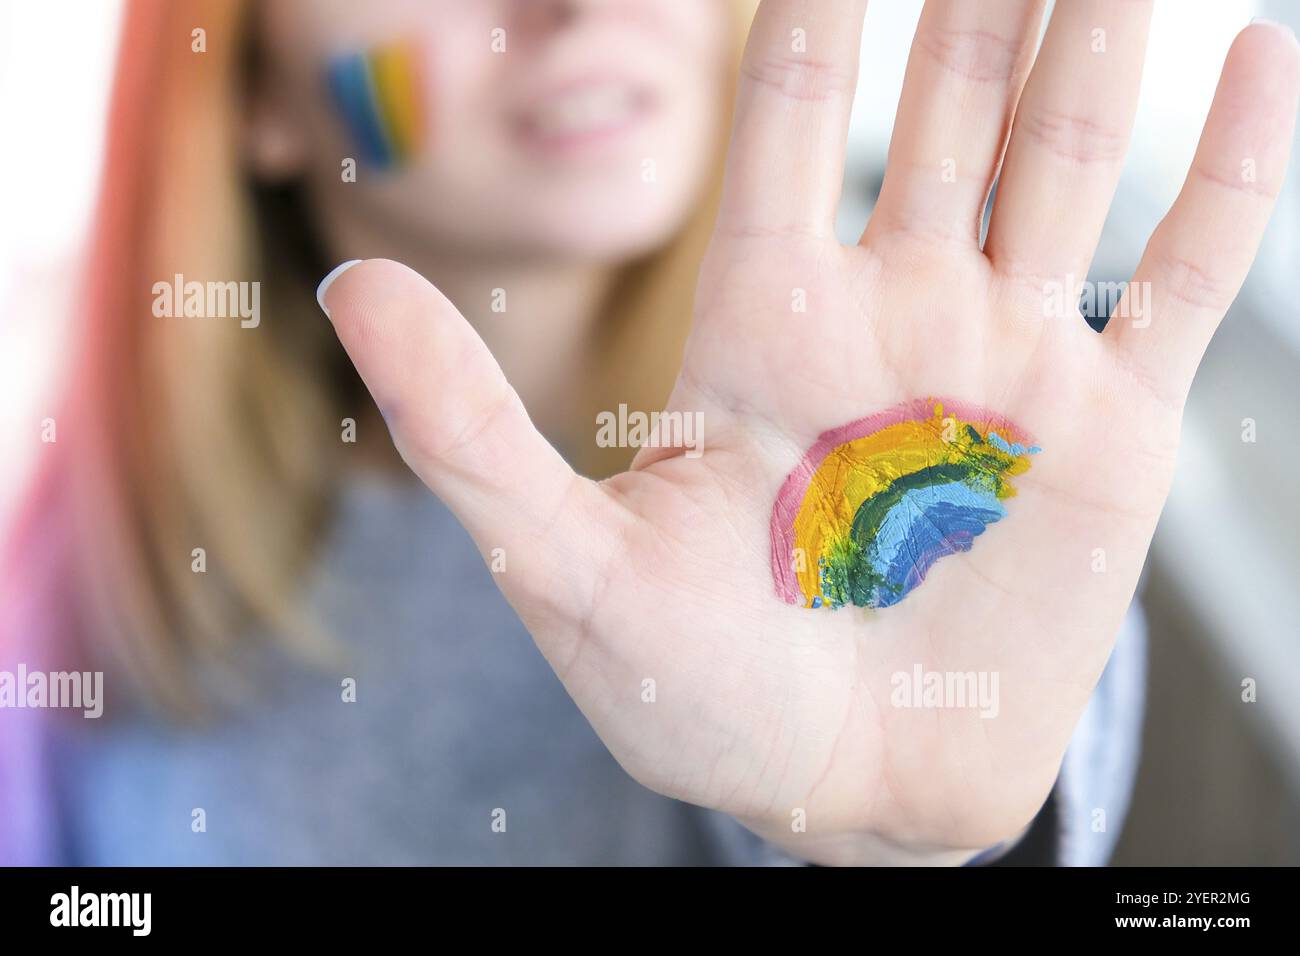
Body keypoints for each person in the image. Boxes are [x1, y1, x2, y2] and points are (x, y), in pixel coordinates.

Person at [2, 0, 1295, 866]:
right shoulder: (79, 578)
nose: (570, 7)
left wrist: (902, 848)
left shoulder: (935, 451)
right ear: (245, 92)